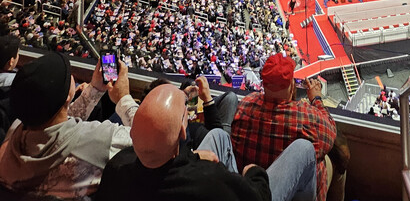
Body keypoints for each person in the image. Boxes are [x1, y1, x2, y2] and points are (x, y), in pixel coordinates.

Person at [97, 82, 317, 201]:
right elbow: (258, 196)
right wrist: (255, 174)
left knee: (219, 136)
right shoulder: (209, 180)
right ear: (183, 132)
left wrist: (192, 157)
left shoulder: (115, 169)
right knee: (304, 149)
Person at [0, 52, 136, 198]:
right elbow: (150, 140)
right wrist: (124, 98)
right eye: (69, 75)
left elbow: (56, 124)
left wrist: (94, 90)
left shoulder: (15, 130)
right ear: (68, 96)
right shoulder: (101, 139)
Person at [231, 53, 337, 201]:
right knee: (327, 161)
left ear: (263, 84)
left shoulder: (245, 104)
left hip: (249, 187)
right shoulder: (307, 116)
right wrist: (316, 98)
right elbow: (330, 132)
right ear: (292, 85)